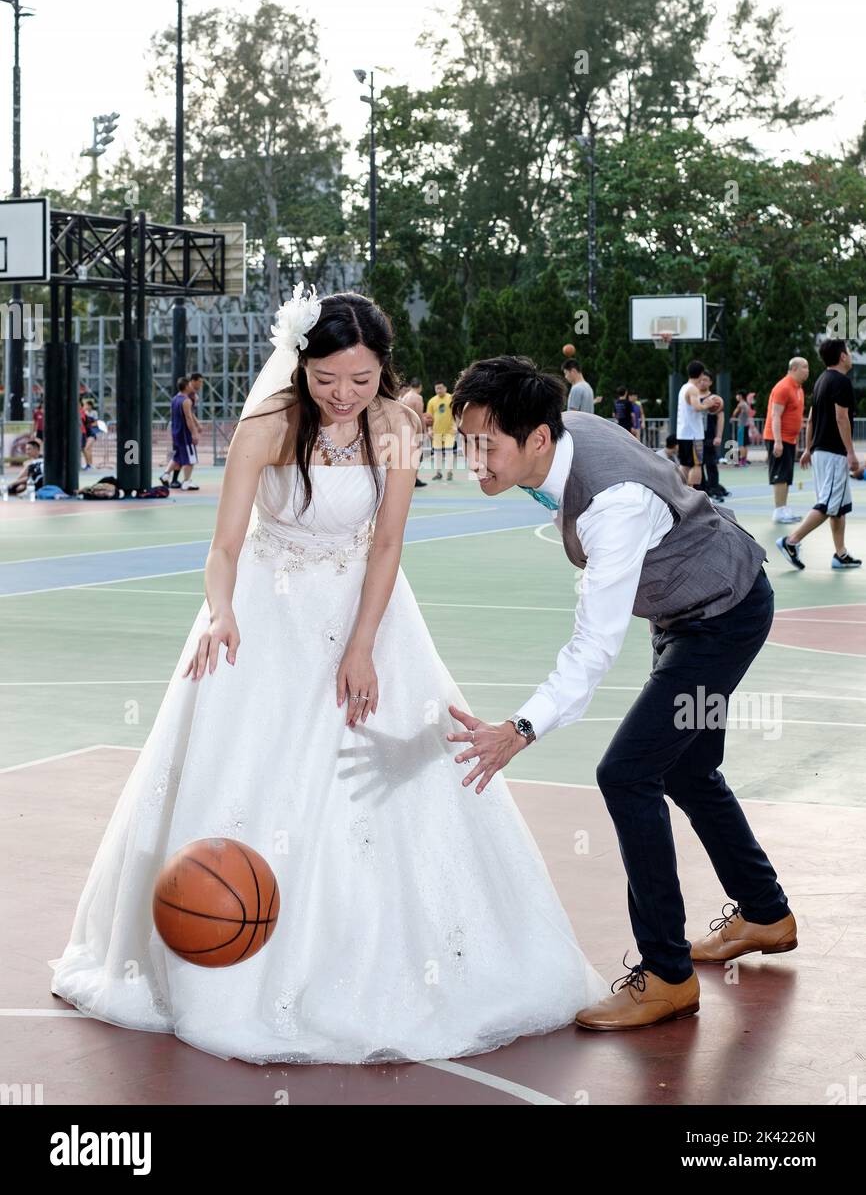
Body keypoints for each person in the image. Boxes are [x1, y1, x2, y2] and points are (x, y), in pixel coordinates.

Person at [48, 288, 608, 1065]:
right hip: (264, 618)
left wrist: (361, 646)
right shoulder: (264, 427)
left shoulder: (400, 429)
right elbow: (224, 547)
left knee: (382, 795)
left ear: (384, 372)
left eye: (362, 380)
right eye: (326, 380)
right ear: (302, 367)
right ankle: (231, 968)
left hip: (369, 612)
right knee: (250, 782)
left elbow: (386, 547)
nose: (343, 396)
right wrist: (219, 613)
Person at [449, 355, 796, 1032]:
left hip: (722, 613)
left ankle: (667, 974)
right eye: (468, 440)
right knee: (689, 766)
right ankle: (765, 911)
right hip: (692, 603)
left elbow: (592, 649)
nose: (475, 458)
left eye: (487, 444)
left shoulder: (612, 505)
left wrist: (519, 728)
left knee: (628, 771)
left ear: (538, 439)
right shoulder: (563, 429)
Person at [777, 339, 862, 571]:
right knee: (826, 505)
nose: (850, 356)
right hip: (834, 453)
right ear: (843, 357)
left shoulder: (821, 380)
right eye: (848, 352)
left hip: (820, 452)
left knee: (839, 506)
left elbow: (812, 417)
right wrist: (851, 453)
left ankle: (840, 554)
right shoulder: (841, 382)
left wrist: (807, 448)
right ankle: (791, 541)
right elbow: (841, 418)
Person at [764, 357, 808, 523]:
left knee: (787, 476)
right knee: (780, 476)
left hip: (790, 439)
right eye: (804, 367)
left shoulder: (798, 388)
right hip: (778, 438)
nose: (807, 371)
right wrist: (778, 441)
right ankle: (779, 511)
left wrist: (794, 440)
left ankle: (783, 508)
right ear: (794, 368)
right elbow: (775, 415)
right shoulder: (783, 387)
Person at [676, 360, 722, 488]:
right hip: (694, 435)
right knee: (697, 465)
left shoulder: (683, 388)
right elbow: (697, 407)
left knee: (684, 465)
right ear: (701, 374)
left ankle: (679, 491)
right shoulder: (693, 389)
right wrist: (708, 404)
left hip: (683, 433)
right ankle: (693, 493)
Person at [161, 378, 201, 491]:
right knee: (191, 459)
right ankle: (186, 482)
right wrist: (194, 433)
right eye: (189, 384)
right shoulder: (186, 401)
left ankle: (165, 475)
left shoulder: (174, 399)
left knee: (177, 457)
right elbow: (188, 418)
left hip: (176, 432)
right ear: (186, 386)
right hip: (185, 434)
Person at [697, 371, 729, 501]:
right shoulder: (693, 397)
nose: (702, 382)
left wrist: (719, 436)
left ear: (710, 382)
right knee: (698, 464)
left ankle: (714, 488)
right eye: (700, 380)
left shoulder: (715, 399)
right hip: (696, 436)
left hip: (709, 435)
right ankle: (702, 489)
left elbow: (721, 418)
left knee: (711, 463)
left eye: (705, 380)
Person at [398, 378, 427, 487]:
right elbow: (419, 415)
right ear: (420, 387)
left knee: (406, 455)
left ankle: (407, 478)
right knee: (417, 454)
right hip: (414, 429)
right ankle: (414, 478)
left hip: (404, 428)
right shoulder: (417, 398)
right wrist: (424, 430)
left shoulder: (404, 397)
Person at [426, 381, 457, 482]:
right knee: (437, 453)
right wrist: (429, 430)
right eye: (437, 388)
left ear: (445, 388)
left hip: (449, 431)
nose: (439, 390)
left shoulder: (451, 398)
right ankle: (438, 472)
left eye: (440, 388)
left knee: (449, 451)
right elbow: (429, 418)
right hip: (436, 432)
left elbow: (457, 414)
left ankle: (449, 472)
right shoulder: (432, 401)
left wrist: (456, 426)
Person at [731, 391, 751, 465]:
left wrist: (733, 417)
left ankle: (742, 461)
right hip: (746, 425)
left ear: (740, 396)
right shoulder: (746, 404)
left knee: (741, 444)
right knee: (745, 444)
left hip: (741, 426)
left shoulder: (741, 404)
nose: (736, 397)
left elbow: (734, 413)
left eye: (737, 395)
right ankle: (744, 461)